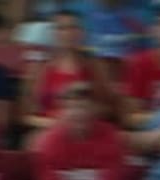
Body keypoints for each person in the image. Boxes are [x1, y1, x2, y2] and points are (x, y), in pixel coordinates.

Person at [20, 9, 118, 143]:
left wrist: (81, 118)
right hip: (48, 129)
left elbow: (109, 108)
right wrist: (54, 124)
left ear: (82, 33)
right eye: (61, 29)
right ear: (53, 34)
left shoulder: (95, 66)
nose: (67, 34)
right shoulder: (40, 67)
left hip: (85, 129)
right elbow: (27, 115)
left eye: (73, 28)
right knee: (34, 141)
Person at [34, 83, 130, 180]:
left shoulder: (111, 138)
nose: (79, 113)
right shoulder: (49, 144)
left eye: (84, 107)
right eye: (72, 108)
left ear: (95, 110)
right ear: (61, 112)